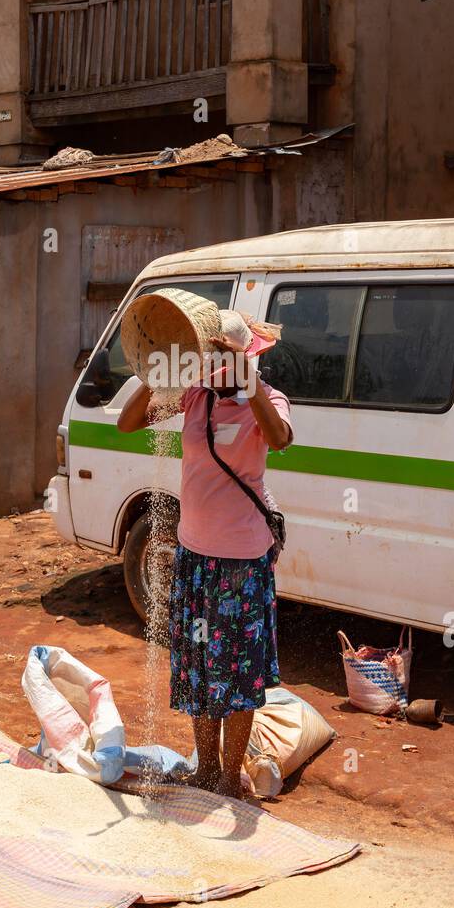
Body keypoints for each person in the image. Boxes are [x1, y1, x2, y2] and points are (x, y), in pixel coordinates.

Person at [117, 305, 292, 797]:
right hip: (195, 559)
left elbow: (279, 441)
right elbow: (128, 424)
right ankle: (206, 769)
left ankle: (231, 775)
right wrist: (159, 371)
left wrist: (249, 380)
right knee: (199, 665)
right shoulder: (194, 397)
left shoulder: (268, 400)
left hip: (243, 561)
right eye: (207, 355)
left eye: (223, 356)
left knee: (238, 671)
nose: (214, 365)